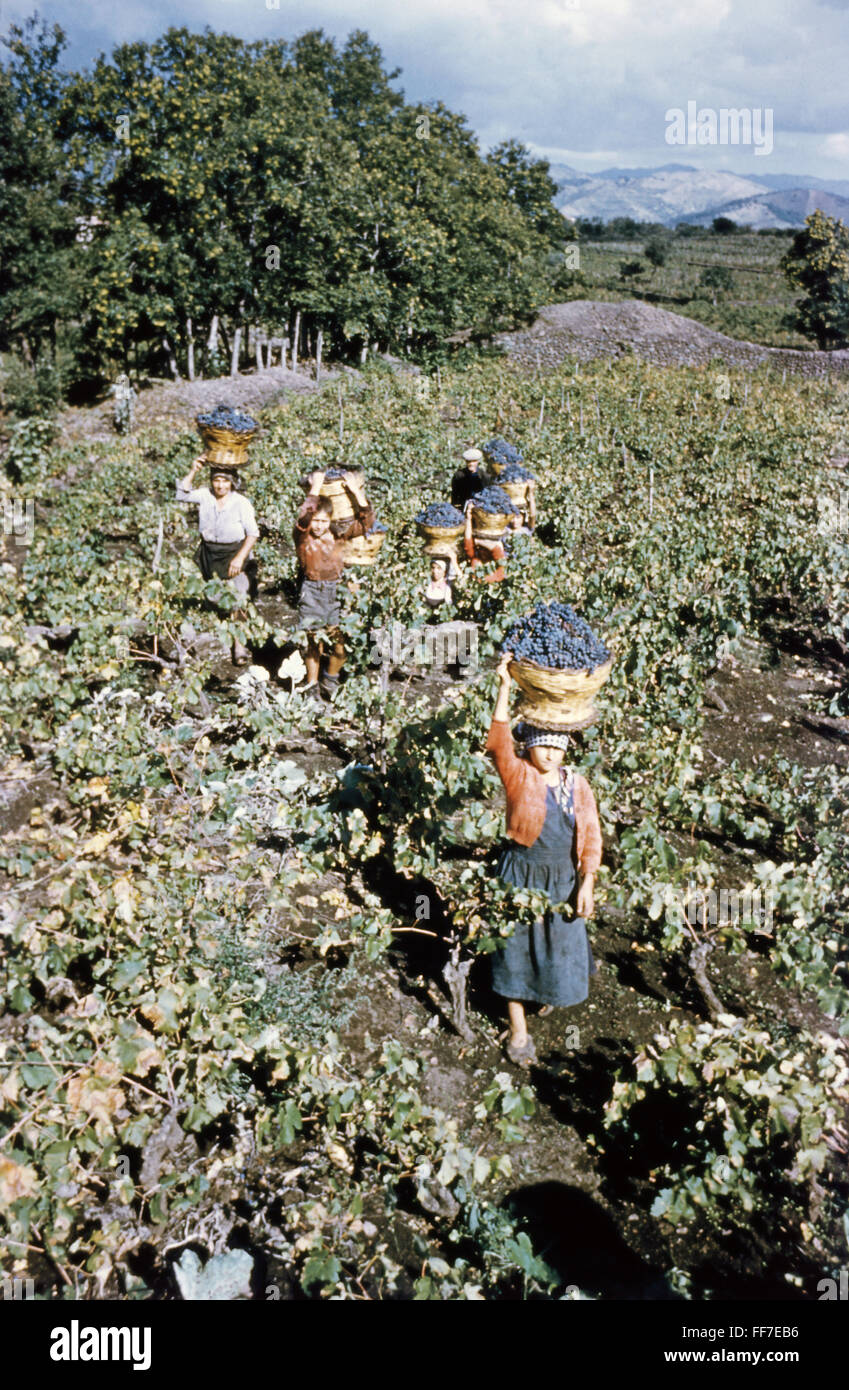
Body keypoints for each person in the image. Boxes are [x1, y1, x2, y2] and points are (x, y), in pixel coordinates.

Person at [485, 656, 602, 1066]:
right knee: (514, 950)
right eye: (542, 744)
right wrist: (504, 685)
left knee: (558, 945)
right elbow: (498, 739)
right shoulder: (518, 775)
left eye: (557, 744)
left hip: (562, 878)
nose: (550, 753)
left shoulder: (577, 785)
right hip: (521, 873)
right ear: (529, 744)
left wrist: (586, 881)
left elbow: (590, 835)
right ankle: (518, 1031)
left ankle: (544, 994)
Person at [294, 468, 374, 702]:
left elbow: (366, 522)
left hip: (335, 590)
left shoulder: (339, 536)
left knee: (340, 641)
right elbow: (304, 518)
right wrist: (316, 487)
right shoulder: (303, 536)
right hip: (311, 589)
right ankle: (311, 687)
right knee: (313, 641)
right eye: (315, 521)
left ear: (330, 521)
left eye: (323, 521)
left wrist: (356, 493)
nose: (317, 525)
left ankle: (331, 679)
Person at [176, 456, 259, 665]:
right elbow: (181, 494)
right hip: (210, 552)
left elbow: (253, 534)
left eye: (225, 481)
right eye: (216, 480)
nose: (220, 485)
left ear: (232, 482)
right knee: (214, 594)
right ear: (211, 481)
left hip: (233, 553)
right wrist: (194, 469)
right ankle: (218, 628)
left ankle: (239, 646)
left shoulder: (241, 503)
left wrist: (239, 559)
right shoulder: (205, 496)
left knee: (238, 598)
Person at [463, 501, 506, 583]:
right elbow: (468, 543)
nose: (483, 551)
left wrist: (480, 542)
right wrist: (468, 519)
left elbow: (497, 553)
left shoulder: (499, 560)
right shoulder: (476, 560)